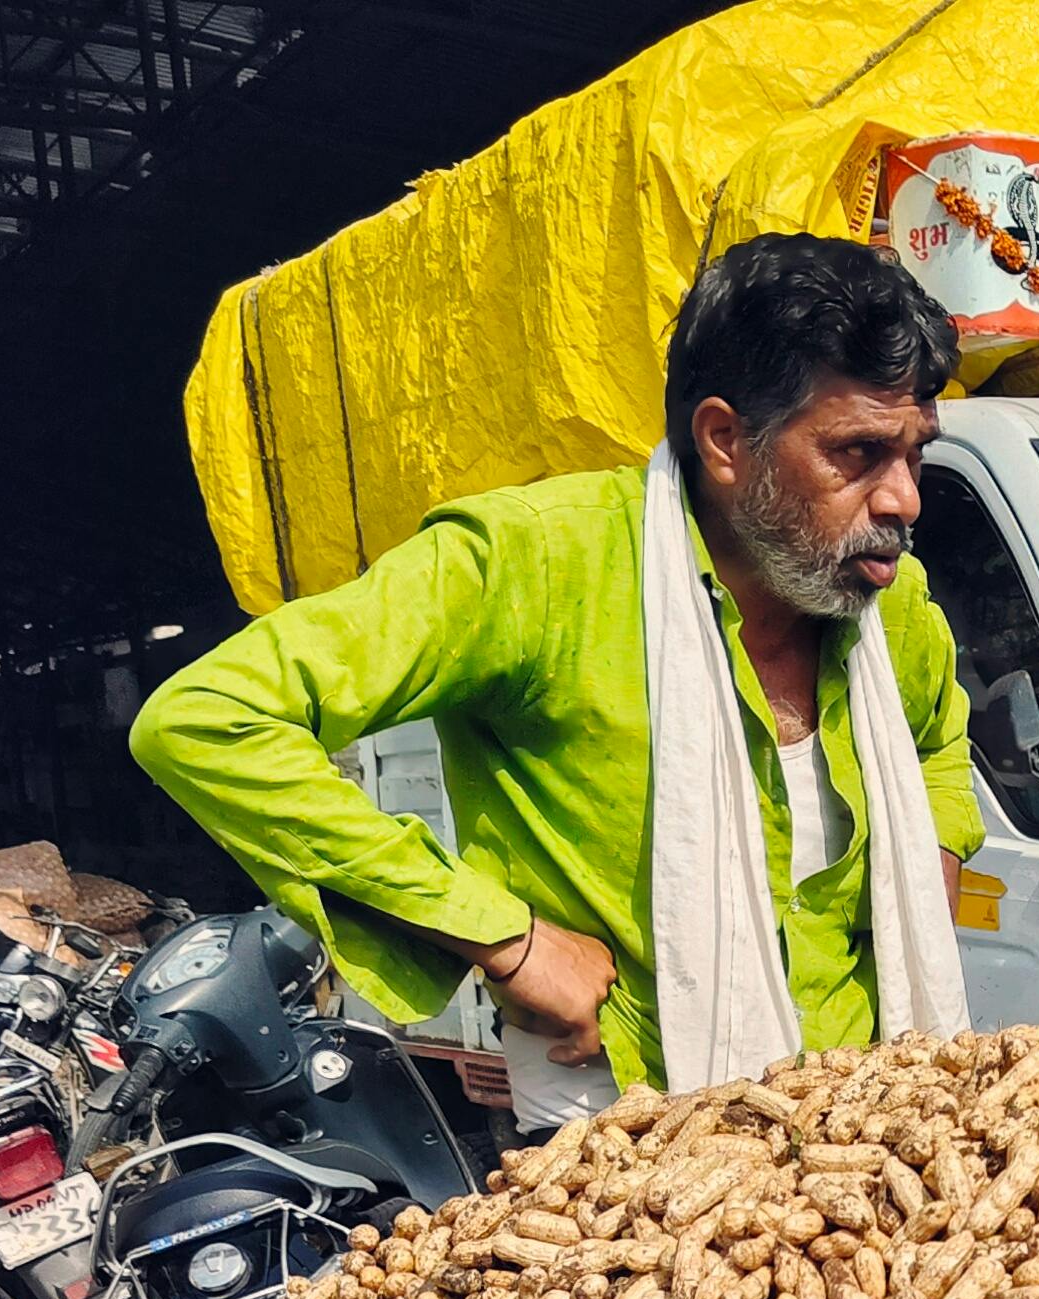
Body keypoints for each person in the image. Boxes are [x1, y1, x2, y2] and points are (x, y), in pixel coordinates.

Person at [129, 234, 981, 1131]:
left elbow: (935, 748)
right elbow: (207, 719)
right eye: (857, 453)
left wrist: (927, 875)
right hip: (621, 1129)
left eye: (915, 453)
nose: (904, 499)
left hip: (871, 1112)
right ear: (726, 441)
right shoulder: (534, 567)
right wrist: (503, 936)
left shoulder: (892, 608)